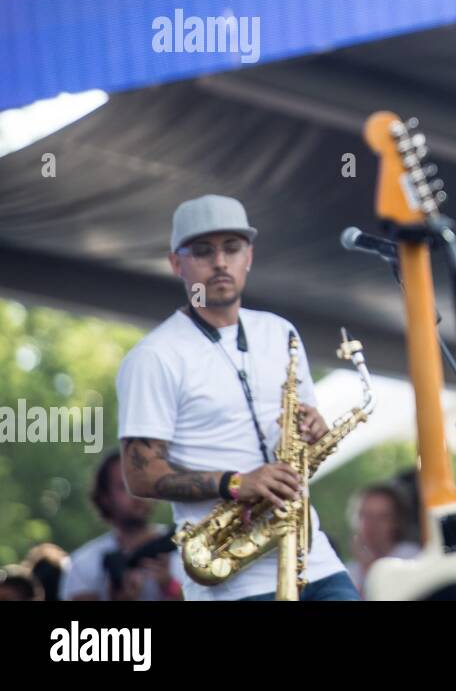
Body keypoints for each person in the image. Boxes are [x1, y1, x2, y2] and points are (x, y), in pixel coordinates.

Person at [116, 195, 357, 600]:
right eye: (203, 251)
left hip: (312, 558)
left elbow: (303, 433)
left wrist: (312, 428)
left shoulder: (282, 333)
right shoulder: (153, 356)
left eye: (232, 248)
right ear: (177, 263)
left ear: (249, 256)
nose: (220, 263)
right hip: (230, 574)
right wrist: (235, 483)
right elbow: (140, 474)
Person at [60, 451, 182, 600]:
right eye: (124, 487)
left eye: (142, 482)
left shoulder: (186, 547)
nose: (137, 494)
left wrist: (169, 586)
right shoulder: (83, 564)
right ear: (105, 497)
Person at [345, 484, 421, 593]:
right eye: (365, 515)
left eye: (382, 517)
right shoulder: (348, 573)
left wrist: (369, 567)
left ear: (396, 522)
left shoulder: (411, 557)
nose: (372, 524)